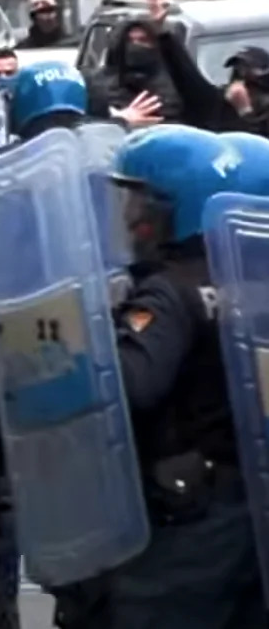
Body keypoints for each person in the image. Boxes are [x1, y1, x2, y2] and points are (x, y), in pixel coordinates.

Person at [99, 124, 267, 626]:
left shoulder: (169, 292)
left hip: (187, 522)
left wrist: (80, 346)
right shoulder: (247, 282)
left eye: (140, 208)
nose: (129, 220)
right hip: (247, 506)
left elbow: (132, 383)